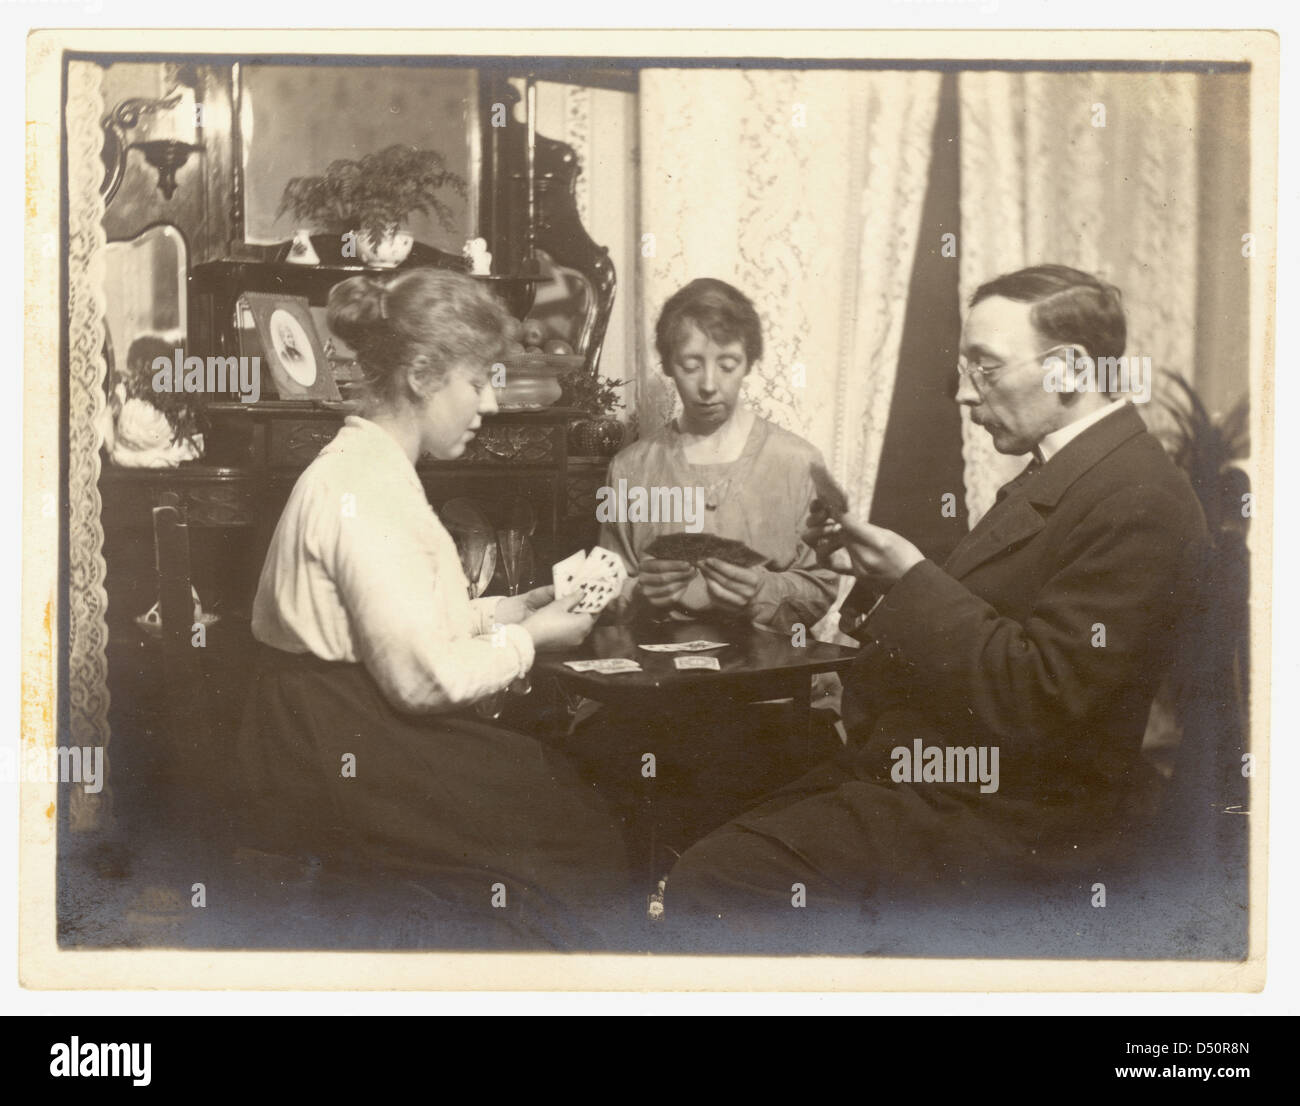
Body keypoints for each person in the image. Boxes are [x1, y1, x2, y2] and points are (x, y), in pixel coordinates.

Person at [663, 265, 1209, 950]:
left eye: (985, 368)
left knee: (716, 881)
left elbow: (1043, 695)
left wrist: (912, 577)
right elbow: (989, 623)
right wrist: (878, 577)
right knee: (711, 791)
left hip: (1024, 817)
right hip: (962, 777)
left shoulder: (1139, 498)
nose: (963, 394)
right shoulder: (1075, 473)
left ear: (1069, 369)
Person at [235, 268, 629, 948]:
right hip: (331, 742)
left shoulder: (372, 467)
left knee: (554, 791)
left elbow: (400, 626)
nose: (489, 403)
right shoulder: (364, 487)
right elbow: (423, 680)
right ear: (421, 374)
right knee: (571, 826)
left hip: (336, 717)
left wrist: (506, 611)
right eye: (476, 382)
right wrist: (531, 638)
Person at [598, 278, 840, 633]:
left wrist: (762, 590)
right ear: (667, 365)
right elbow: (605, 589)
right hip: (661, 678)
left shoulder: (798, 463)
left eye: (727, 365)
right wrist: (640, 593)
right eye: (691, 365)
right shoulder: (631, 468)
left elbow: (822, 585)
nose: (709, 385)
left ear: (749, 363)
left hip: (770, 680)